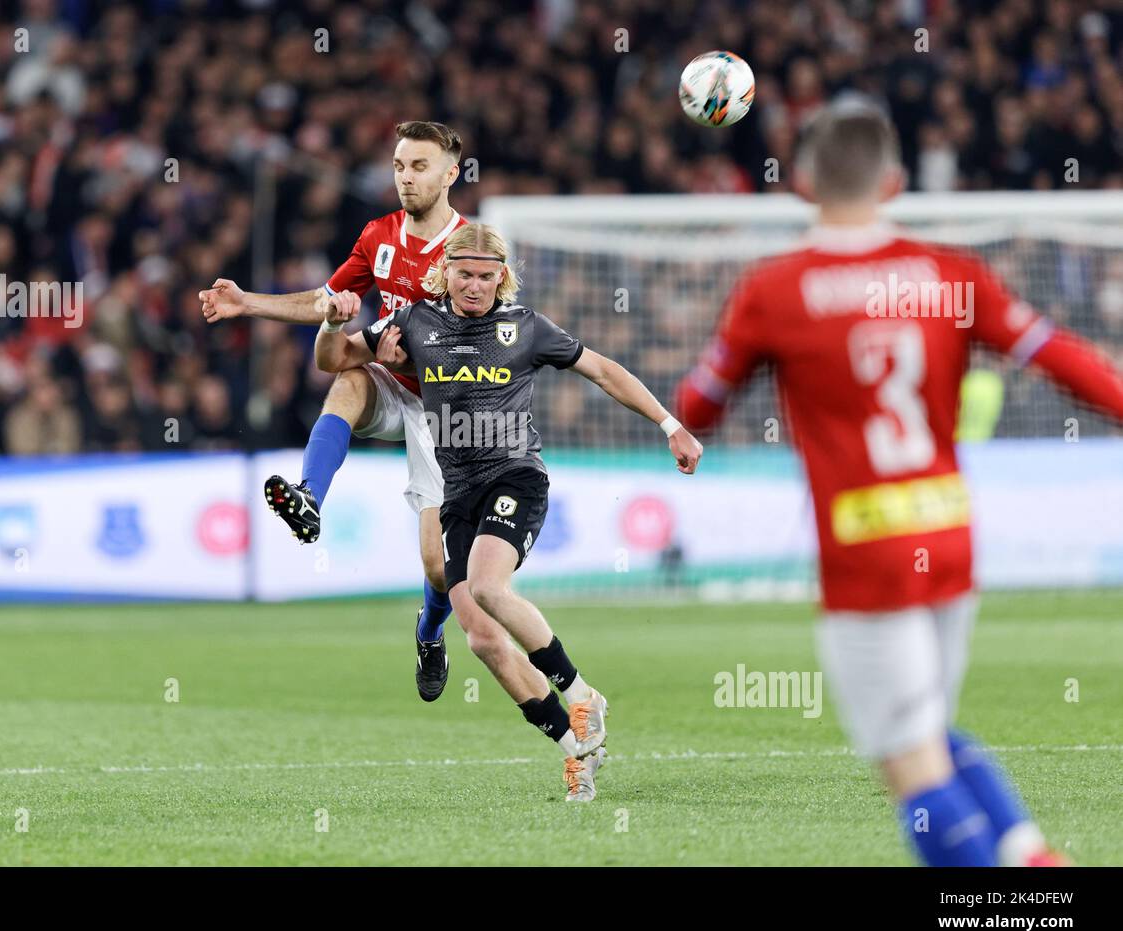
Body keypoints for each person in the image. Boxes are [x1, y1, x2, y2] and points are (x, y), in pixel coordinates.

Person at [676, 99, 1123, 864]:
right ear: (893, 182)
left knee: (907, 761)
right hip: (947, 535)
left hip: (864, 550)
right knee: (930, 734)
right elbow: (1063, 359)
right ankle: (1036, 867)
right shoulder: (950, 275)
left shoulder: (775, 291)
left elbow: (696, 409)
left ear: (802, 186)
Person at [317, 222, 703, 801]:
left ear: (503, 278)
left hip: (516, 478)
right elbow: (333, 361)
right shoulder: (414, 323)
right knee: (483, 640)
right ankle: (577, 751)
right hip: (458, 496)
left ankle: (580, 694)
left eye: (486, 275)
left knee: (492, 590)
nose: (475, 285)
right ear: (444, 271)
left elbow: (604, 371)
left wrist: (670, 425)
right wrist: (331, 321)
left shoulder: (525, 329)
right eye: (465, 273)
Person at [199, 121, 468, 702]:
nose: (405, 177)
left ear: (450, 174)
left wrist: (422, 349)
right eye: (399, 166)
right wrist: (247, 302)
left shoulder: (472, 251)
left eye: (419, 166)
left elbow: (495, 342)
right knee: (348, 376)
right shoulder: (379, 236)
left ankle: (429, 632)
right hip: (393, 383)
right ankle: (310, 497)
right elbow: (326, 301)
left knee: (439, 567)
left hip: (448, 409)